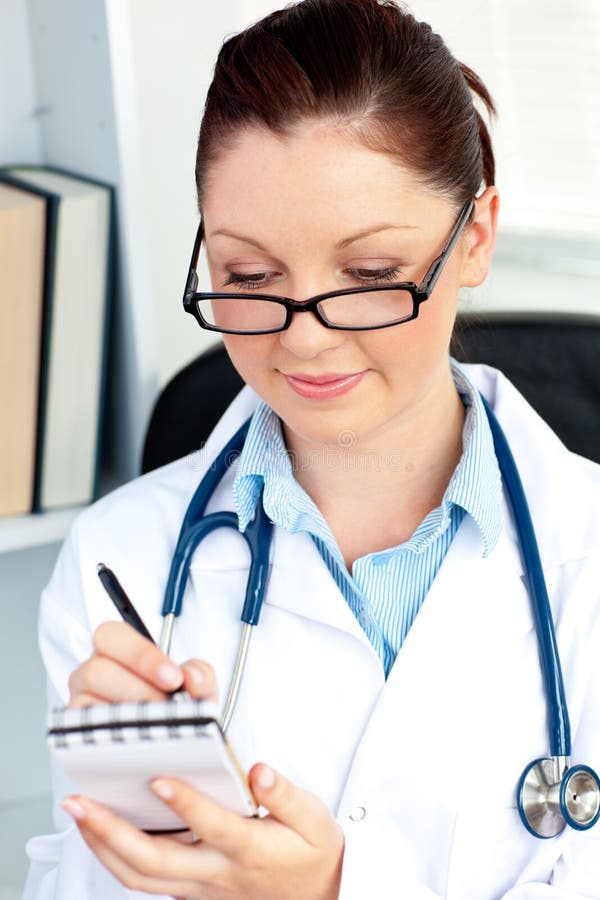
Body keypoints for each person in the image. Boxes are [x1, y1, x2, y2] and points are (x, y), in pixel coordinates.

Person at [24, 1, 600, 897]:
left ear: (475, 238)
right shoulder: (121, 569)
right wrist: (136, 833)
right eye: (249, 277)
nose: (304, 339)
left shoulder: (586, 554)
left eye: (369, 277)